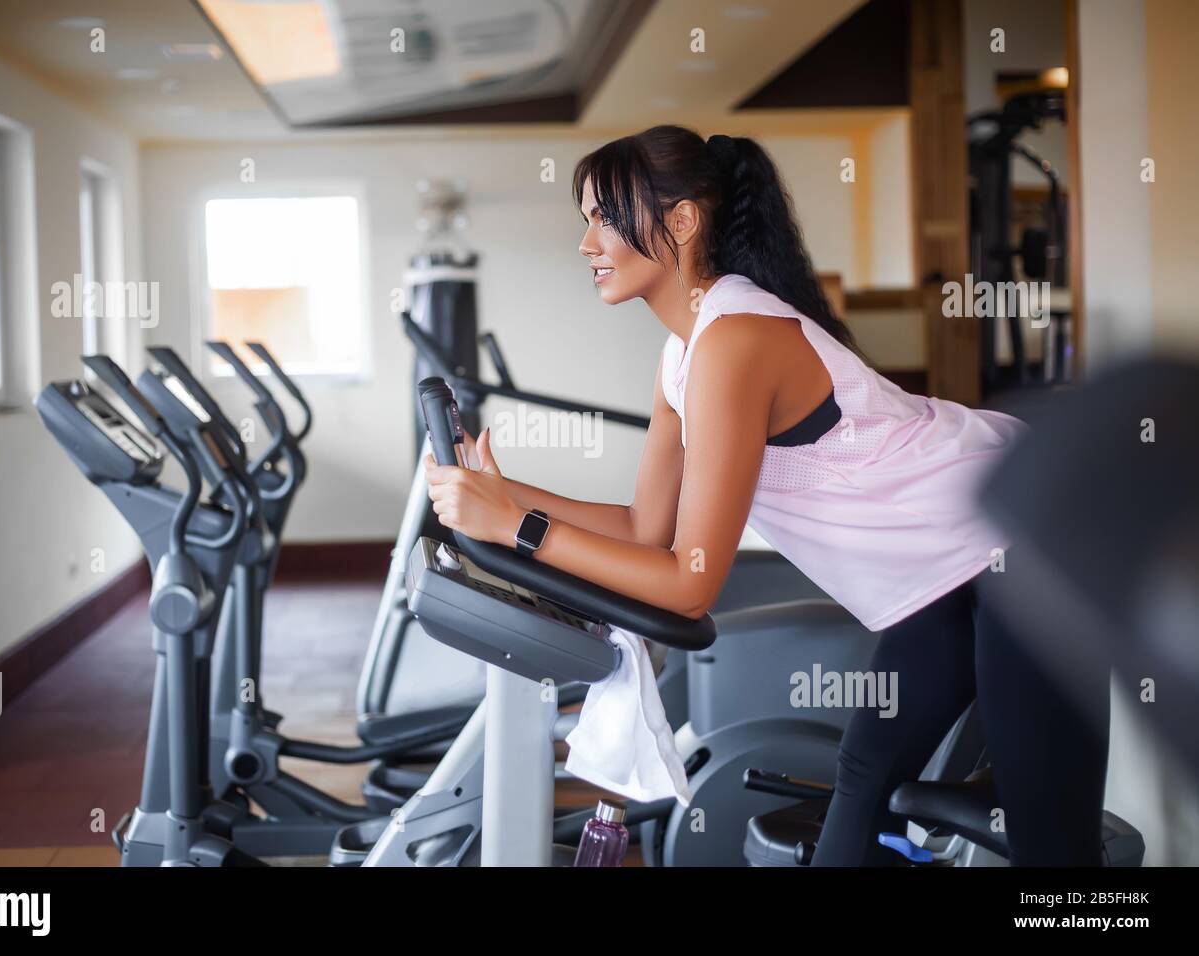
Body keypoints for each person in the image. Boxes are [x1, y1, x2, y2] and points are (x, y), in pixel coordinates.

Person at [423, 125, 1110, 866]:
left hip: (1032, 538)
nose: (587, 243)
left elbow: (688, 585)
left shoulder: (735, 342)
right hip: (943, 574)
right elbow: (646, 526)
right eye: (585, 219)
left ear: (681, 222)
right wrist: (502, 497)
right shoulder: (686, 350)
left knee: (1053, 848)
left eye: (603, 218)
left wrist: (518, 527)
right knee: (864, 782)